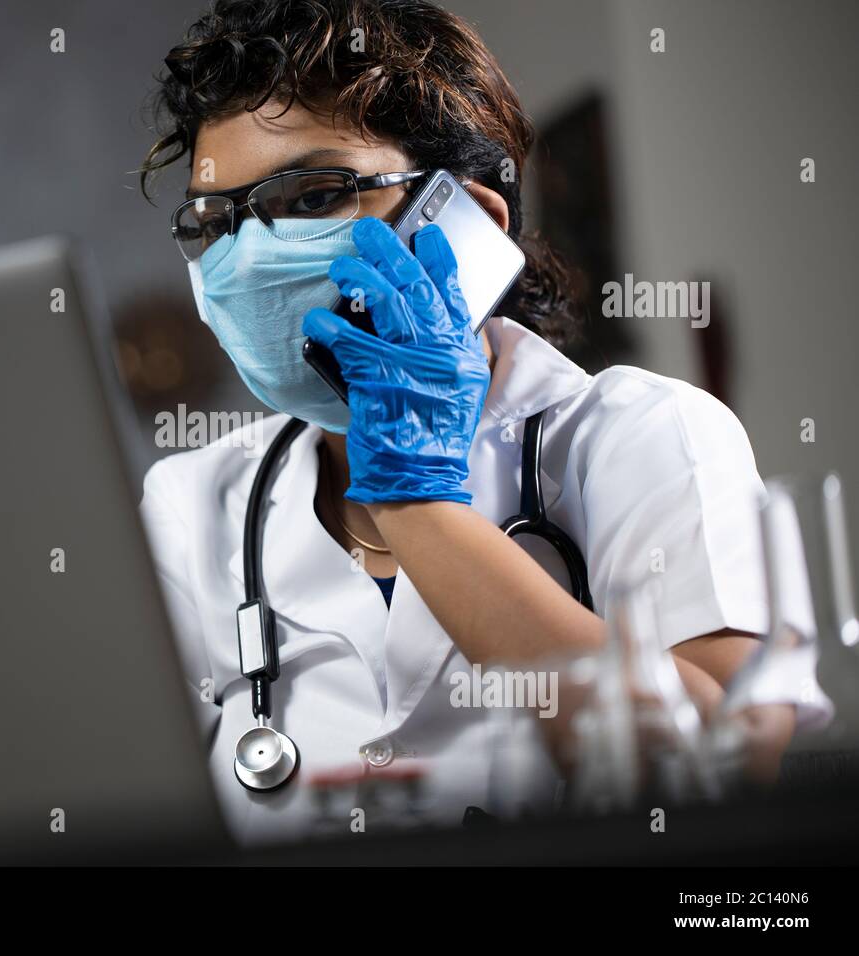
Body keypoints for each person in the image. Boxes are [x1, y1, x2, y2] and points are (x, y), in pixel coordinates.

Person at [136, 0, 823, 842]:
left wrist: (419, 506)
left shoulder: (649, 437)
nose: (247, 259)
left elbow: (717, 771)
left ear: (468, 225)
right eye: (217, 223)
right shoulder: (187, 504)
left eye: (312, 195)